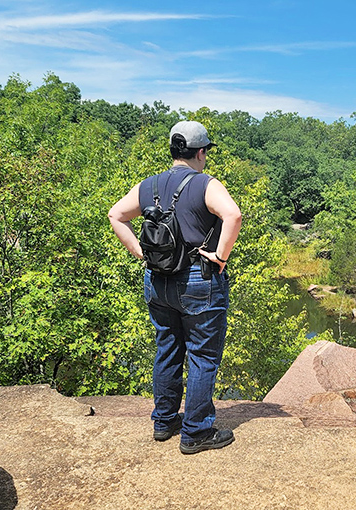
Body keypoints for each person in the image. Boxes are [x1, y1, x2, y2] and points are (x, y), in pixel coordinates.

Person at [108, 120, 242, 455]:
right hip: (198, 279)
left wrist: (141, 253)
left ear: (173, 150)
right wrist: (220, 257)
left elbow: (116, 215)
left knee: (167, 348)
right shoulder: (205, 184)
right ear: (200, 152)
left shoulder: (149, 185)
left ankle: (164, 421)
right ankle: (196, 431)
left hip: (157, 280)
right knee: (202, 354)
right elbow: (233, 216)